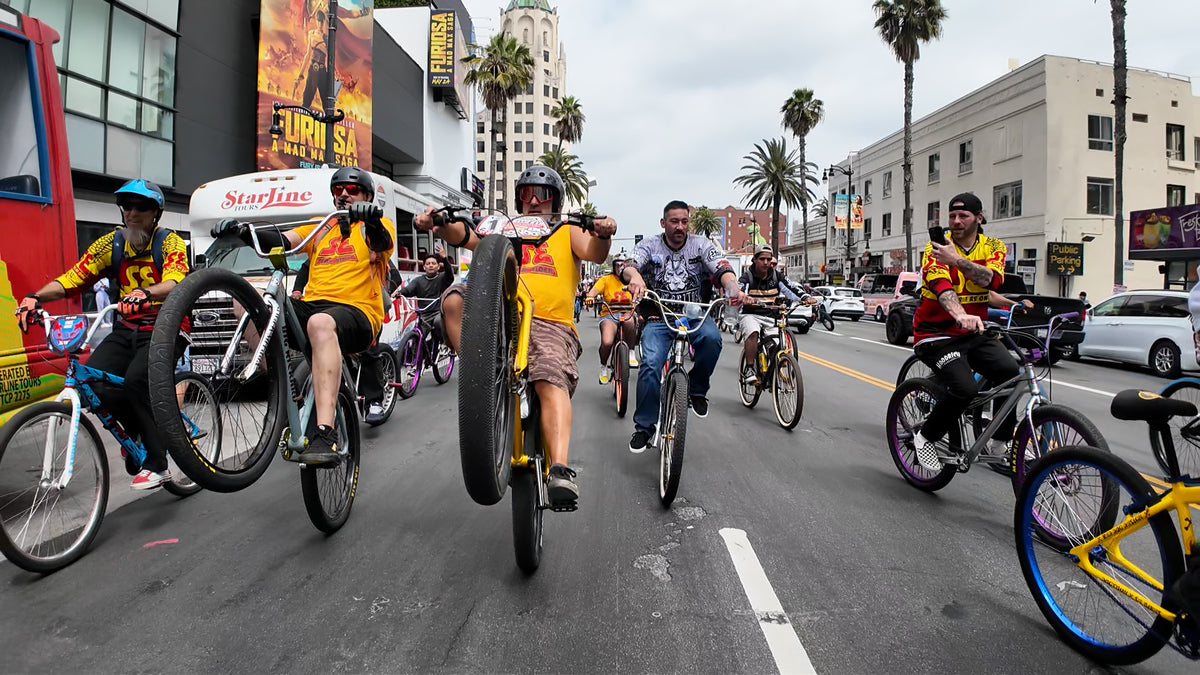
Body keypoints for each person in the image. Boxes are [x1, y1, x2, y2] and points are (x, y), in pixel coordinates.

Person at [414, 165, 617, 504]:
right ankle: (481, 378)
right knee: (452, 301)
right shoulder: (504, 229)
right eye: (527, 195)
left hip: (550, 325)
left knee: (550, 379)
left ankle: (561, 470)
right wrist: (437, 222)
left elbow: (595, 251)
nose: (534, 201)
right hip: (499, 317)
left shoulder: (567, 230)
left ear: (556, 200)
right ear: (519, 200)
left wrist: (603, 231)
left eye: (543, 195)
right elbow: (463, 235)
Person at [213, 166, 395, 461]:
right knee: (247, 296)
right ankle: (283, 384)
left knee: (320, 323)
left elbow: (382, 243)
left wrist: (370, 218)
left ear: (368, 196)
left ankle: (326, 433)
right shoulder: (322, 225)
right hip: (313, 306)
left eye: (353, 190)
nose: (345, 195)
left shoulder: (376, 223)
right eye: (339, 190)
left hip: (358, 313)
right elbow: (285, 241)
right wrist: (245, 232)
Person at [18, 179, 189, 489]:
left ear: (156, 214)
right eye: (127, 206)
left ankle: (157, 462)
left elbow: (176, 281)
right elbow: (73, 278)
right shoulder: (109, 245)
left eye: (142, 207)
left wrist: (144, 293)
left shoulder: (170, 242)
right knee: (93, 382)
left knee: (138, 379)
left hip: (166, 328)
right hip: (125, 328)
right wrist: (35, 297)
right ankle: (137, 430)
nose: (133, 213)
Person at [622, 200, 749, 453]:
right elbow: (629, 265)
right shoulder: (649, 245)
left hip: (695, 316)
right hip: (659, 317)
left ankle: (697, 390)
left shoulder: (701, 245)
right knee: (650, 364)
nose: (680, 226)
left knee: (713, 340)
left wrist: (732, 285)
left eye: (684, 221)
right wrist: (635, 277)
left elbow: (722, 267)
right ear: (663, 223)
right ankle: (645, 427)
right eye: (674, 221)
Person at [909, 192, 1018, 472]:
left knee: (1010, 373)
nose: (956, 221)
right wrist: (960, 315)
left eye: (963, 216)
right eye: (952, 216)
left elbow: (991, 280)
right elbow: (941, 286)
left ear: (978, 218)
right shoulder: (936, 246)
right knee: (966, 388)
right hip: (935, 335)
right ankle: (926, 436)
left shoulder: (993, 246)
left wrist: (956, 260)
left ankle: (1001, 440)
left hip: (973, 334)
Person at [737, 245, 818, 384]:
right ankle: (749, 368)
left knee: (776, 345)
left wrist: (805, 297)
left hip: (771, 317)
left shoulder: (777, 276)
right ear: (754, 259)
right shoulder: (747, 277)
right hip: (751, 314)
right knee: (753, 333)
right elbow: (738, 291)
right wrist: (743, 297)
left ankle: (770, 371)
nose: (766, 262)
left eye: (769, 259)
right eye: (762, 259)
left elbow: (792, 288)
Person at [585, 254, 639, 384]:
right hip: (609, 314)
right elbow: (593, 291)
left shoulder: (633, 280)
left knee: (630, 322)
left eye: (623, 265)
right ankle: (603, 367)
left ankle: (631, 351)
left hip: (627, 312)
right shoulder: (606, 279)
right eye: (618, 265)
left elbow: (643, 290)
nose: (620, 268)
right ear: (613, 266)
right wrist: (590, 297)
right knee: (607, 342)